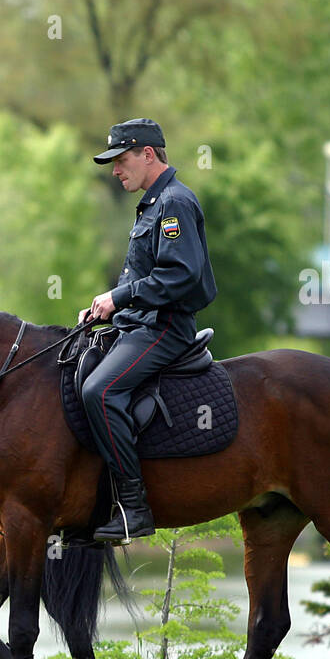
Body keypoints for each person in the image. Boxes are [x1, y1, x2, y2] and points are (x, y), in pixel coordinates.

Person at [78, 118, 217, 542]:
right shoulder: (154, 203)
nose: (116, 170)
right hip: (139, 323)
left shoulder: (174, 202)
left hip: (164, 327)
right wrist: (106, 308)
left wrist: (119, 297)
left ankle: (134, 508)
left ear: (148, 155)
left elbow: (181, 275)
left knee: (99, 391)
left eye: (121, 160)